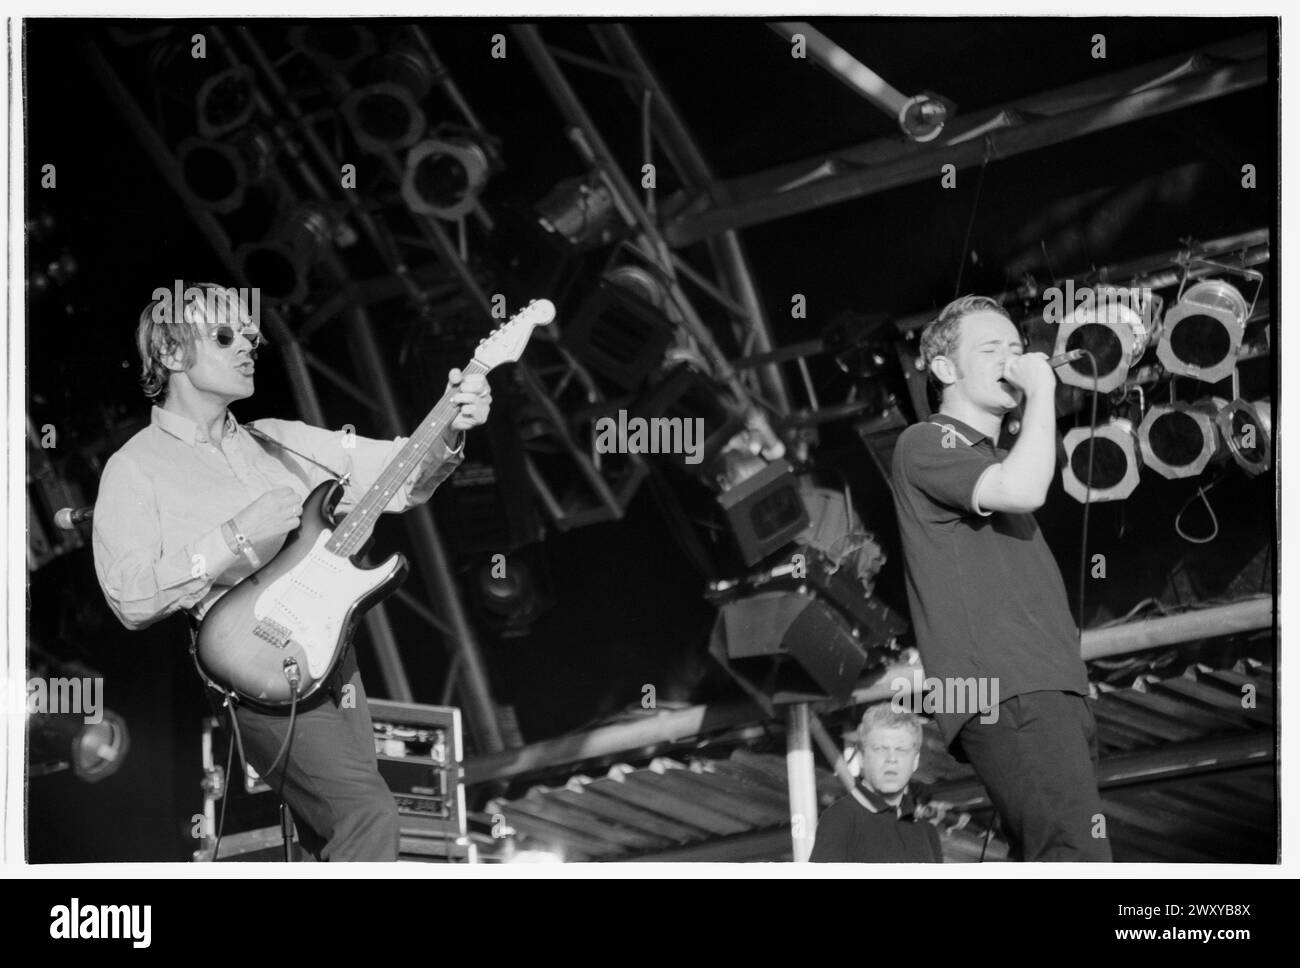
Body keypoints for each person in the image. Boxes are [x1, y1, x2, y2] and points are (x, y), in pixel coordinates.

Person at [92, 281, 492, 861]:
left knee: (327, 836)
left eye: (251, 337)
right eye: (225, 335)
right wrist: (232, 537)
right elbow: (129, 598)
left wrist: (451, 425)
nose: (247, 346)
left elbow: (399, 476)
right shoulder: (134, 469)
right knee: (368, 814)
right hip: (251, 665)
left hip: (335, 659)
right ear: (172, 355)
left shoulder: (280, 441)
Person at [889, 294, 1109, 862]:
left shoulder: (992, 456)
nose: (1011, 359)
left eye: (1017, 348)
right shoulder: (926, 442)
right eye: (990, 349)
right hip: (1010, 687)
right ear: (943, 369)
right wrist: (1041, 391)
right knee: (1075, 855)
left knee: (1052, 851)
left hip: (1042, 688)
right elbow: (1025, 487)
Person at [810, 706, 942, 863]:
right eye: (880, 749)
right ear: (861, 757)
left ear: (915, 761)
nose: (891, 759)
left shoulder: (927, 833)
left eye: (901, 750)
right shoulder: (841, 820)